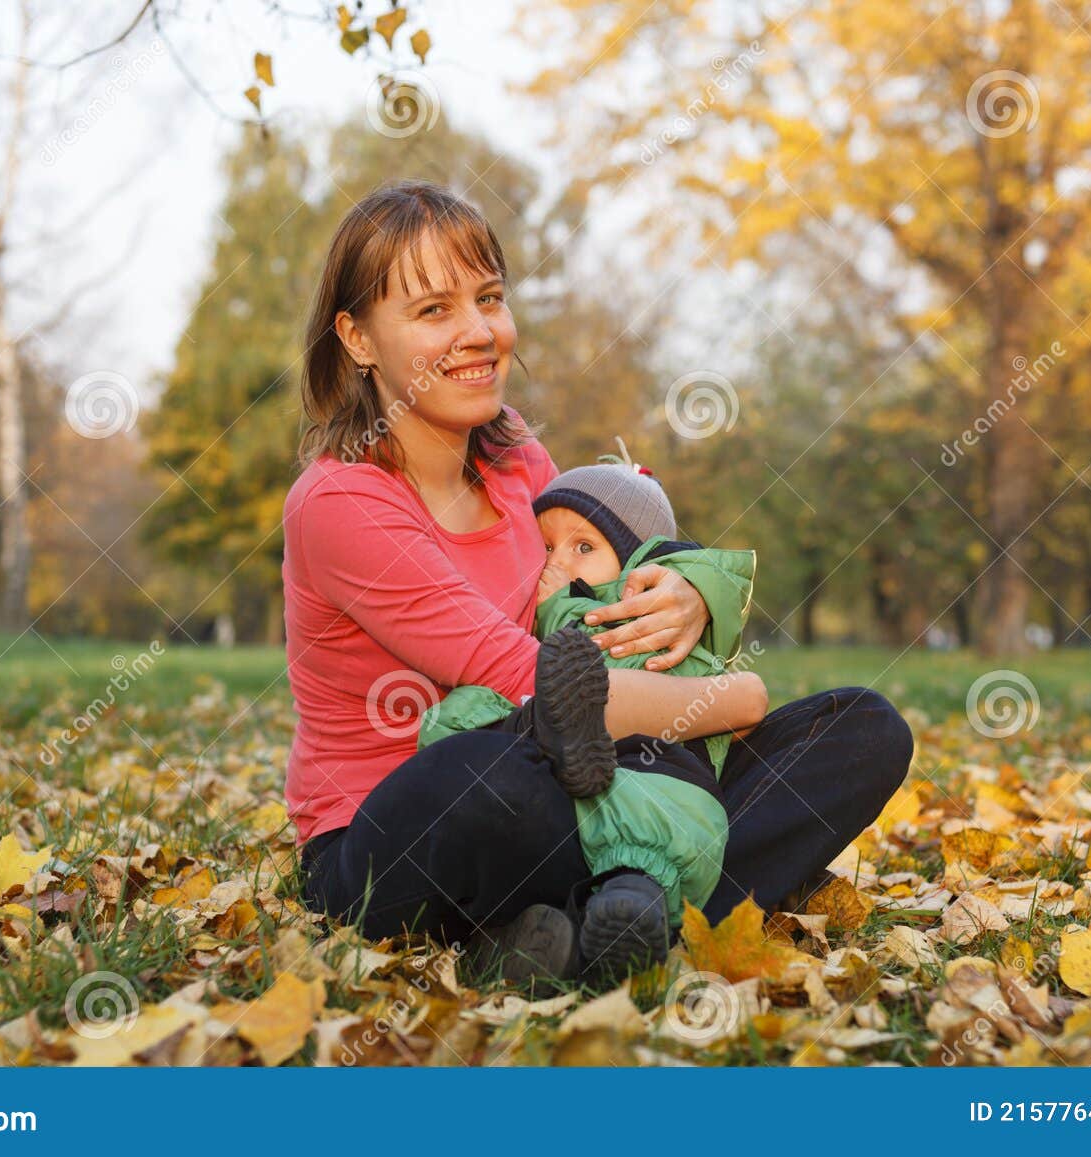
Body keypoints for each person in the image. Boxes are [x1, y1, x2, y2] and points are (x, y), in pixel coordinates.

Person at [283, 178, 916, 987]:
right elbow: (541, 684)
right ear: (358, 337)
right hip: (402, 831)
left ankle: (589, 926)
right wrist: (739, 699)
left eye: (489, 298)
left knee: (862, 729)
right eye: (434, 310)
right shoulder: (340, 501)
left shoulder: (520, 466)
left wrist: (688, 593)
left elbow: (602, 603)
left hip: (589, 789)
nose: (480, 332)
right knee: (487, 775)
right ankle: (634, 910)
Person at [413, 441, 759, 976]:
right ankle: (566, 935)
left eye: (583, 548)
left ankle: (627, 915)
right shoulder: (537, 621)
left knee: (647, 837)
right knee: (468, 724)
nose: (555, 563)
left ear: (641, 557)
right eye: (545, 546)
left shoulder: (658, 608)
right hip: (563, 781)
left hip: (655, 769)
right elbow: (518, 673)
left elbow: (710, 588)